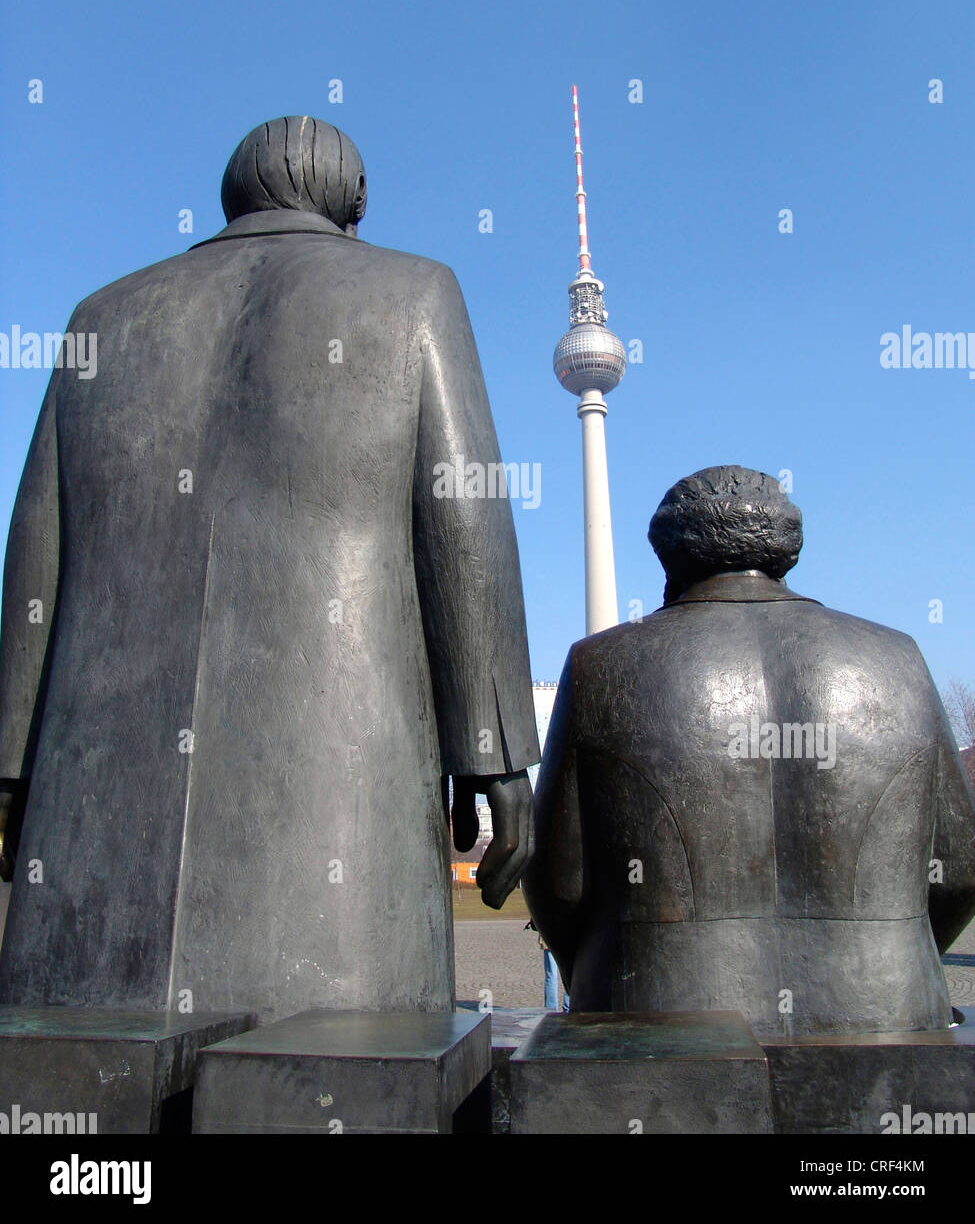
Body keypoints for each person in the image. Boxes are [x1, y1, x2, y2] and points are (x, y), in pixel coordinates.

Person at [0, 116, 537, 1021]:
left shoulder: (101, 315)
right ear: (355, 208)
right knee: (341, 1058)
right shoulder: (413, 293)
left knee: (78, 1063)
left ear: (229, 196)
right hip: (337, 762)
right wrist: (493, 755)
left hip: (97, 797)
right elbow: (464, 514)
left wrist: (14, 758)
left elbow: (34, 552)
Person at [526, 466, 975, 1036]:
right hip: (886, 1013)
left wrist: (602, 973)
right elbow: (957, 871)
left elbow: (558, 882)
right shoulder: (899, 657)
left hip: (657, 1017)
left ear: (669, 557)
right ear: (786, 550)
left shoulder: (599, 664)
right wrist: (889, 955)